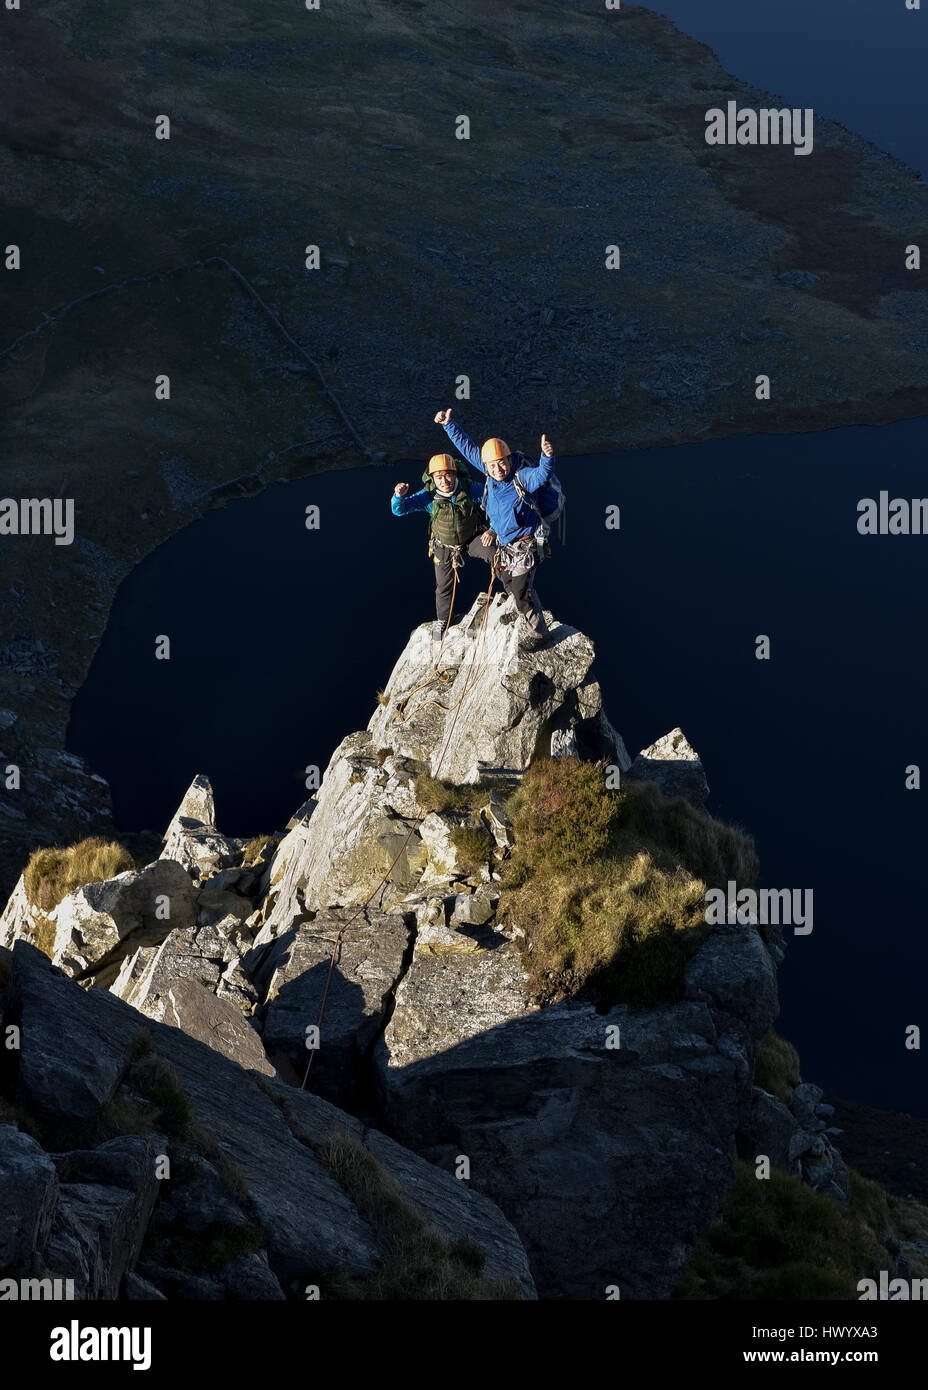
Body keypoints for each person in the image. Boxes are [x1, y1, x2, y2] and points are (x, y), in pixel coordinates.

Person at [433, 408, 555, 650]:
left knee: (521, 590)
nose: (498, 469)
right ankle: (521, 611)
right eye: (492, 465)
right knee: (509, 582)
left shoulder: (522, 477)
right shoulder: (489, 473)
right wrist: (449, 425)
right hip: (505, 544)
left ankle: (540, 634)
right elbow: (467, 448)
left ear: (509, 460)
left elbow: (542, 475)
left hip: (525, 543)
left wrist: (547, 456)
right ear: (486, 466)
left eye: (502, 463)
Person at [392, 453, 491, 640]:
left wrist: (492, 530)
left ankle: (512, 595)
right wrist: (398, 496)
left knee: (495, 553)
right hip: (444, 545)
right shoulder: (428, 497)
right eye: (439, 477)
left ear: (455, 475)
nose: (444, 481)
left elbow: (495, 502)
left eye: (448, 475)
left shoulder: (470, 490)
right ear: (432, 479)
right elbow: (399, 510)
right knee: (444, 586)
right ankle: (444, 619)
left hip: (473, 537)